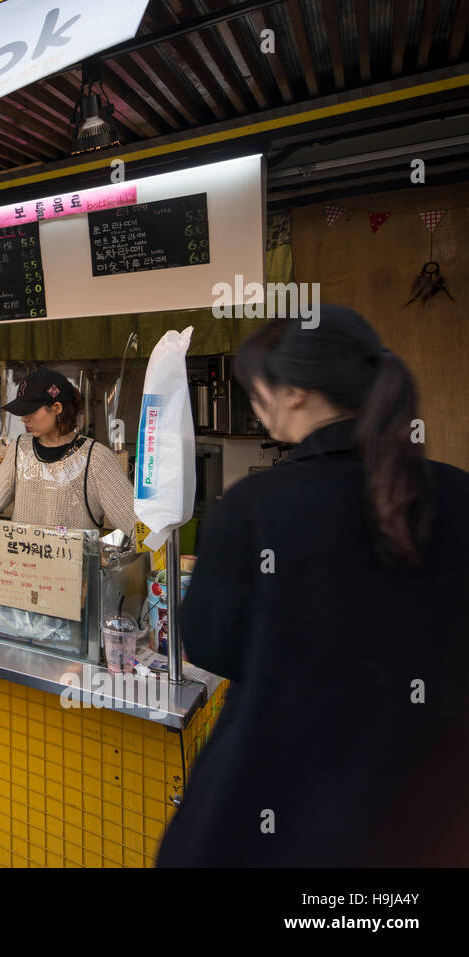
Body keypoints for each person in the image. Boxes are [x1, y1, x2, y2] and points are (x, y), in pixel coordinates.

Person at [155, 306, 469, 866]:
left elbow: (210, 645)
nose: (255, 404)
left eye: (255, 389)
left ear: (295, 391)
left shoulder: (252, 506)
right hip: (425, 810)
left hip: (278, 803)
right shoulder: (459, 495)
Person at [0, 367, 138, 534]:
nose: (23, 418)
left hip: (70, 580)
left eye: (31, 411)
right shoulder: (21, 447)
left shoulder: (97, 459)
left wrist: (163, 556)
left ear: (57, 408)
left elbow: (132, 520)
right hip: (23, 569)